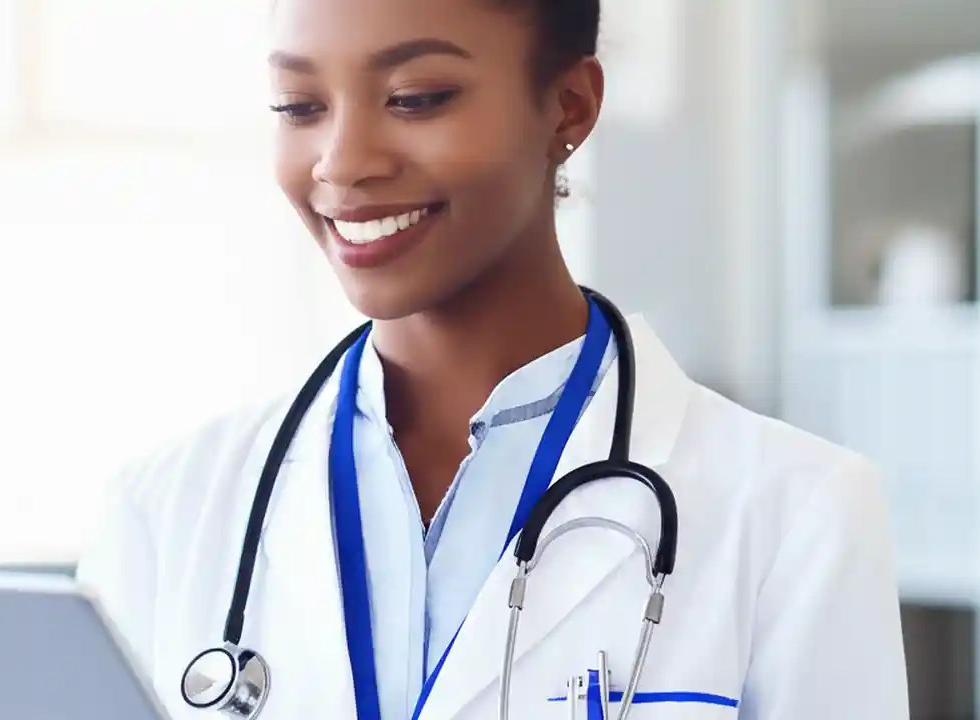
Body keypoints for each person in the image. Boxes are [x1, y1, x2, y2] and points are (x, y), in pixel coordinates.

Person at [76, 0, 910, 717]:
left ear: (570, 107)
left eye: (415, 98)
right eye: (299, 107)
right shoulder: (166, 512)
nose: (343, 162)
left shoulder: (796, 514)